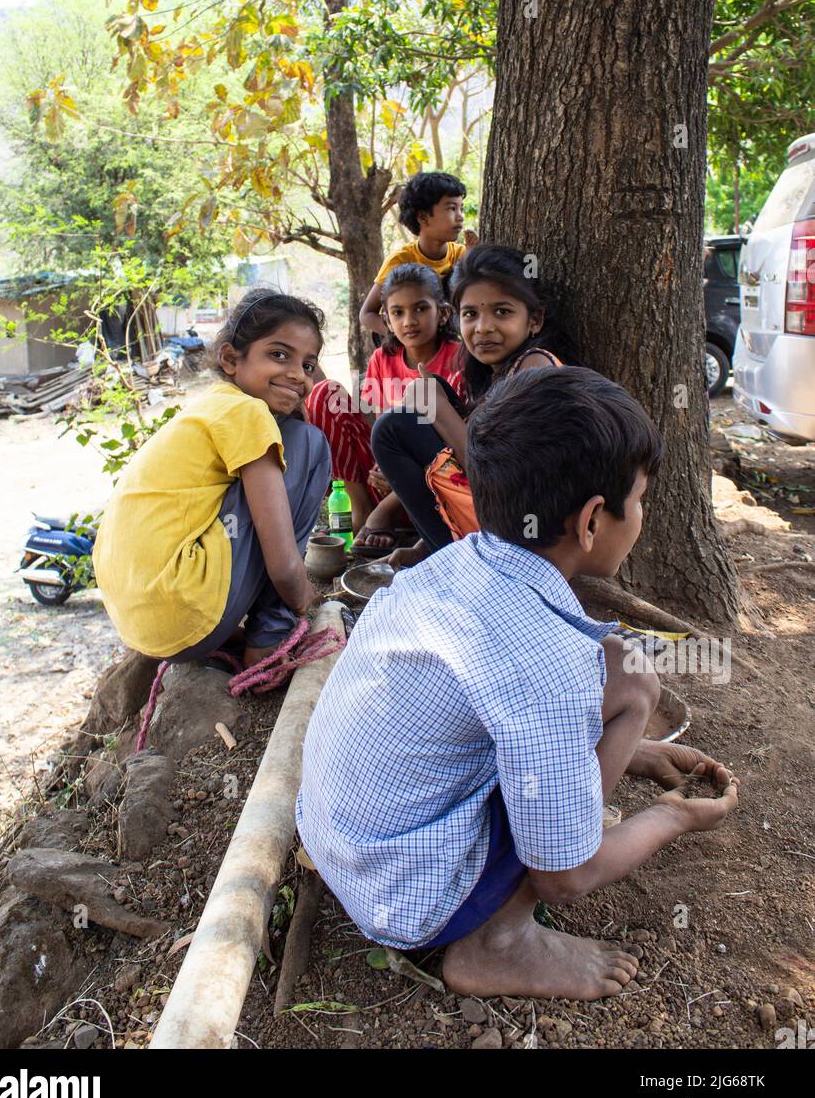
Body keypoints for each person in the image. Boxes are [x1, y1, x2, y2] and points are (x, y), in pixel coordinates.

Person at [297, 367, 739, 1000]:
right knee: (635, 684)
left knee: (620, 667)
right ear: (591, 521)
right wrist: (672, 818)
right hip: (407, 898)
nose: (640, 516)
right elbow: (566, 875)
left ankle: (548, 823)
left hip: (344, 839)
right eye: (638, 500)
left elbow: (481, 706)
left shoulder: (453, 562)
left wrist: (630, 752)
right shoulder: (549, 665)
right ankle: (499, 942)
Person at [93, 290, 330, 673]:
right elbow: (286, 569)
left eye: (308, 365)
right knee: (309, 443)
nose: (297, 375)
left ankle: (228, 626)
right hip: (183, 611)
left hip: (143, 624)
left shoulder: (209, 407)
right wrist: (307, 601)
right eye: (279, 355)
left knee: (293, 439)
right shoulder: (246, 411)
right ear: (231, 359)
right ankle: (269, 636)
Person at [370, 243, 576, 561]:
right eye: (471, 314)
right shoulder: (488, 375)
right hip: (498, 526)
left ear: (534, 320)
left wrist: (438, 411)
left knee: (394, 429)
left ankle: (453, 561)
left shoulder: (536, 369)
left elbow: (500, 482)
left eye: (502, 312)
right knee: (412, 413)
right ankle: (438, 552)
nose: (483, 328)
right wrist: (419, 550)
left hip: (526, 541)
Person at [306, 264, 463, 548]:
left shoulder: (458, 359)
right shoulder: (383, 358)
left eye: (420, 309)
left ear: (443, 313)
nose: (409, 321)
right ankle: (361, 511)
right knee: (324, 394)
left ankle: (382, 516)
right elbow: (378, 425)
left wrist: (397, 476)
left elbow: (451, 448)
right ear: (387, 321)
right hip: (385, 480)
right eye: (398, 312)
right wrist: (383, 468)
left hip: (437, 483)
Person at [359, 171, 471, 338]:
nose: (460, 217)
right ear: (423, 217)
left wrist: (472, 257)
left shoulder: (462, 254)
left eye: (461, 208)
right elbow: (367, 314)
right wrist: (399, 338)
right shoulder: (400, 261)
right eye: (451, 208)